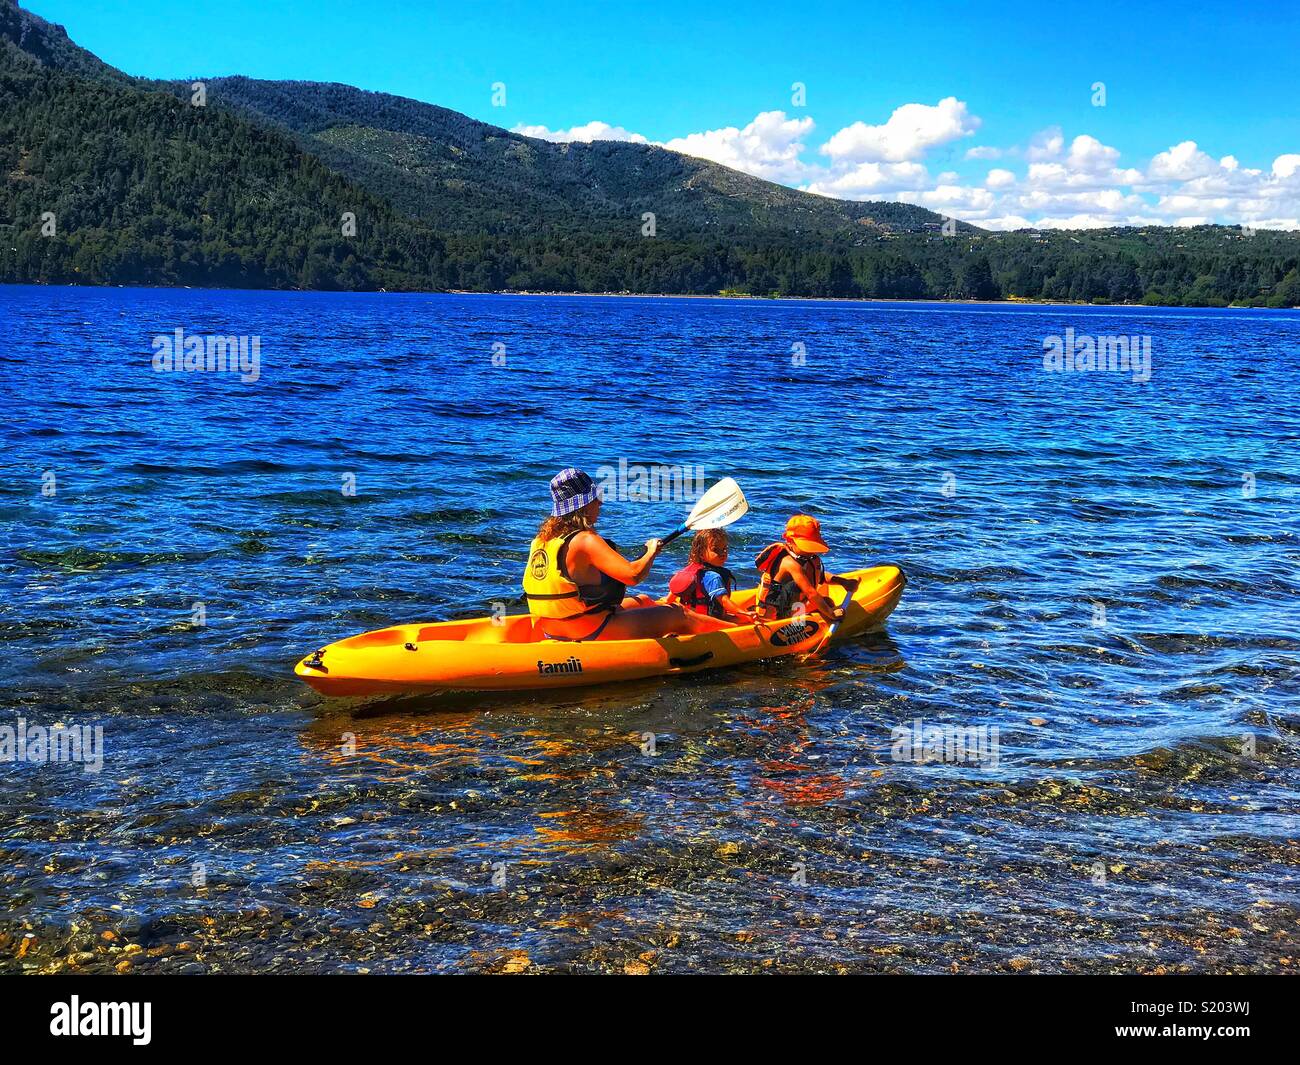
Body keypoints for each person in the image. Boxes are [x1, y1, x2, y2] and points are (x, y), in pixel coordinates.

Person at [522, 468, 733, 641]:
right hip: (589, 630)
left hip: (551, 629)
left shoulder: (542, 542)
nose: (600, 503)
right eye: (595, 498)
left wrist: (647, 557)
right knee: (678, 613)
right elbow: (633, 576)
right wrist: (650, 552)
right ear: (584, 506)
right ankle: (742, 631)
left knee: (644, 600)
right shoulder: (585, 540)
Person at [754, 514, 845, 623]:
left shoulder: (805, 558)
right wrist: (831, 614)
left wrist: (843, 582)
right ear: (789, 541)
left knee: (826, 602)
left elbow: (821, 576)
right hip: (776, 616)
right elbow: (810, 593)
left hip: (793, 606)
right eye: (805, 546)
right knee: (827, 603)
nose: (809, 551)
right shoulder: (789, 562)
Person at [665, 529, 753, 623]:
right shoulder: (713, 577)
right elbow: (724, 601)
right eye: (715, 549)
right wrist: (744, 613)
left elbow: (670, 598)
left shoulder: (689, 571)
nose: (722, 553)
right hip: (708, 621)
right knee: (747, 619)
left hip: (690, 618)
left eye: (724, 549)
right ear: (701, 554)